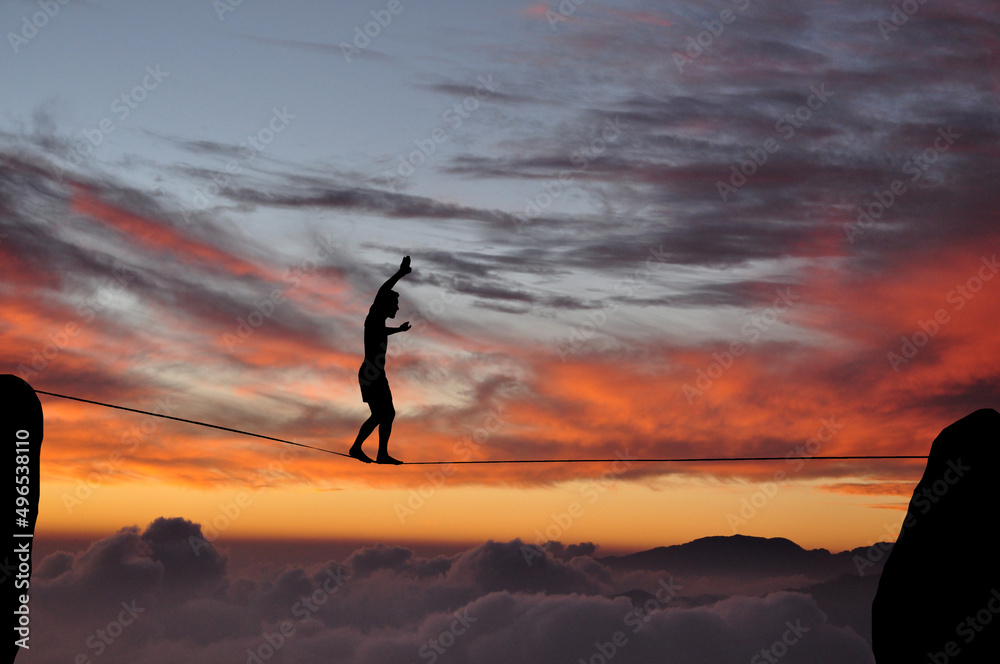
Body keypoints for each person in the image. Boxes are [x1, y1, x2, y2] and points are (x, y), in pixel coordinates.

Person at [349, 256, 411, 464]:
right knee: (380, 414)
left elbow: (381, 332)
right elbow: (382, 291)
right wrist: (400, 273)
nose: (397, 309)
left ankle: (380, 453)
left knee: (387, 414)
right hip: (370, 373)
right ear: (386, 305)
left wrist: (398, 330)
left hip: (376, 374)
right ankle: (357, 448)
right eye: (395, 305)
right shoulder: (374, 316)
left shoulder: (378, 323)